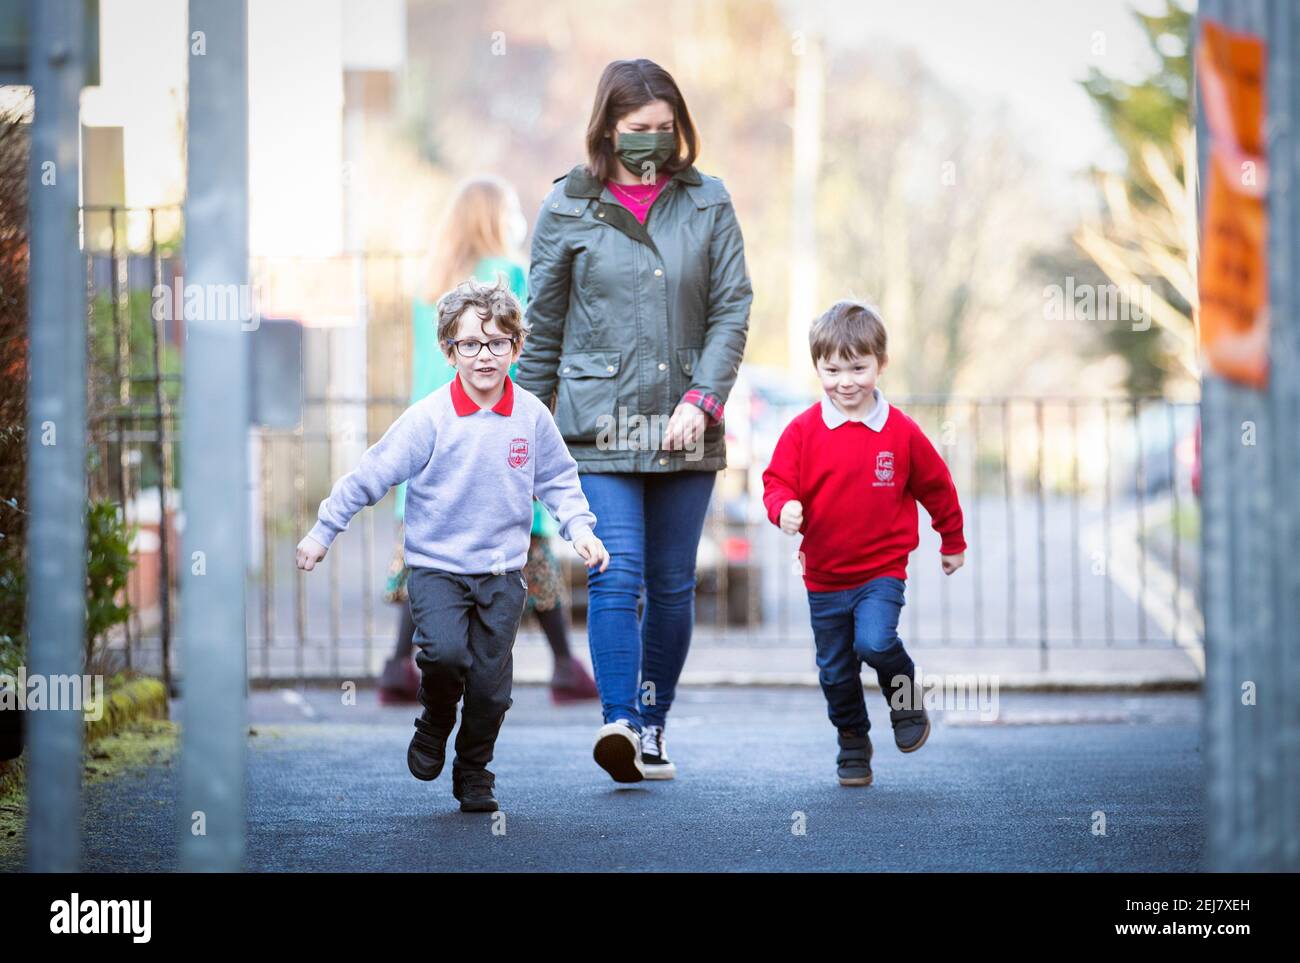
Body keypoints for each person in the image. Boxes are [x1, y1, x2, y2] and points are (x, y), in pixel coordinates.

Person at [515, 59, 752, 783]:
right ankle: (618, 720)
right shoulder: (567, 206)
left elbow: (732, 307)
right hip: (595, 430)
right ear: (607, 128)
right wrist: (515, 431)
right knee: (615, 573)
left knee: (674, 585)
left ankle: (653, 723)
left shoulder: (708, 202)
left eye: (664, 128)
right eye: (636, 130)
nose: (653, 141)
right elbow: (543, 326)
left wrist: (703, 398)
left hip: (686, 426)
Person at [296, 277, 610, 812]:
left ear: (517, 346)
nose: (484, 356)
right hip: (436, 568)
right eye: (469, 344)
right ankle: (436, 717)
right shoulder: (430, 418)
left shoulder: (531, 416)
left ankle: (474, 769)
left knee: (491, 687)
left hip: (503, 574)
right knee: (443, 655)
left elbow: (559, 480)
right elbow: (374, 473)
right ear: (449, 350)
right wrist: (325, 529)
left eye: (497, 343)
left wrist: (580, 530)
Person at [377, 175, 599, 707]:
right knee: (529, 548)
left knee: (430, 555)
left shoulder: (428, 287)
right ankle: (566, 666)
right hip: (494, 435)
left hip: (434, 438)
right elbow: (527, 359)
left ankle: (396, 665)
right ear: (496, 220)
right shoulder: (511, 278)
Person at [762, 300, 967, 787]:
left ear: (881, 364)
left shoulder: (901, 432)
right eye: (832, 369)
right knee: (835, 672)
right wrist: (783, 508)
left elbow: (937, 486)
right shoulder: (803, 430)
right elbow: (775, 483)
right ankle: (853, 740)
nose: (846, 381)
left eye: (858, 367)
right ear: (818, 368)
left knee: (874, 642)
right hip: (824, 577)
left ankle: (905, 701)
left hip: (881, 570)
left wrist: (951, 539)